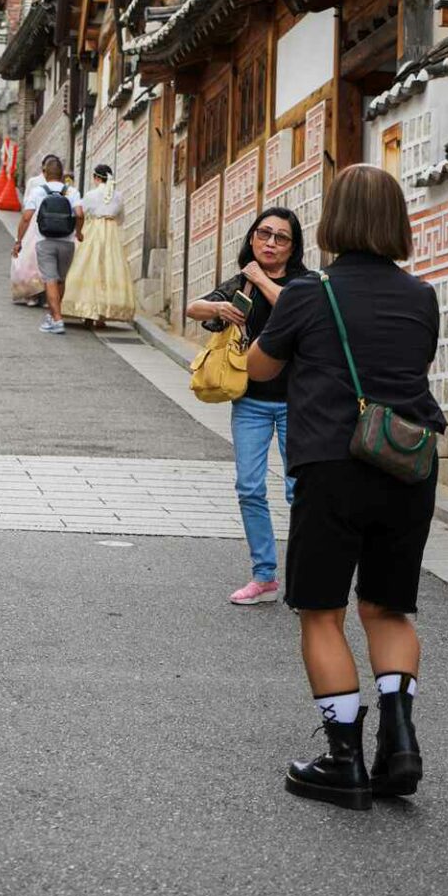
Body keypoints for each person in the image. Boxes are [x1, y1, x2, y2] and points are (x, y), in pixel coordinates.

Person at [247, 166, 446, 811]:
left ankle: (345, 763)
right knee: (388, 609)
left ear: (334, 219)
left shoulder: (310, 290)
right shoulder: (421, 296)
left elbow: (262, 365)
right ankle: (400, 741)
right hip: (409, 466)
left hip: (333, 464)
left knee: (322, 612)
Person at [186, 206, 306, 606]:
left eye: (280, 237)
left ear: (293, 247)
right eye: (263, 234)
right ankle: (264, 576)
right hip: (251, 401)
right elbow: (193, 307)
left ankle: (305, 578)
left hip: (297, 402)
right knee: (250, 488)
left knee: (299, 491)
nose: (270, 243)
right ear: (252, 238)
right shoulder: (242, 284)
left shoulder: (305, 284)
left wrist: (258, 276)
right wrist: (219, 308)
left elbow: (294, 310)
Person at [13, 155, 83, 335]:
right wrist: (79, 232)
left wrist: (19, 241)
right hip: (67, 242)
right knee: (60, 279)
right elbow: (80, 214)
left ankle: (57, 319)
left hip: (45, 241)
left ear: (45, 173)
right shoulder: (71, 191)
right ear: (61, 175)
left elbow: (26, 217)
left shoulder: (38, 191)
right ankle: (53, 316)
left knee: (49, 279)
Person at [62, 164, 136, 326]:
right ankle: (102, 315)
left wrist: (80, 230)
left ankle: (88, 313)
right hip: (111, 233)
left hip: (93, 230)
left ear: (96, 178)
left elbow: (82, 212)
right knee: (109, 269)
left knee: (89, 268)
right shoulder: (118, 195)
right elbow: (121, 218)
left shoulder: (90, 194)